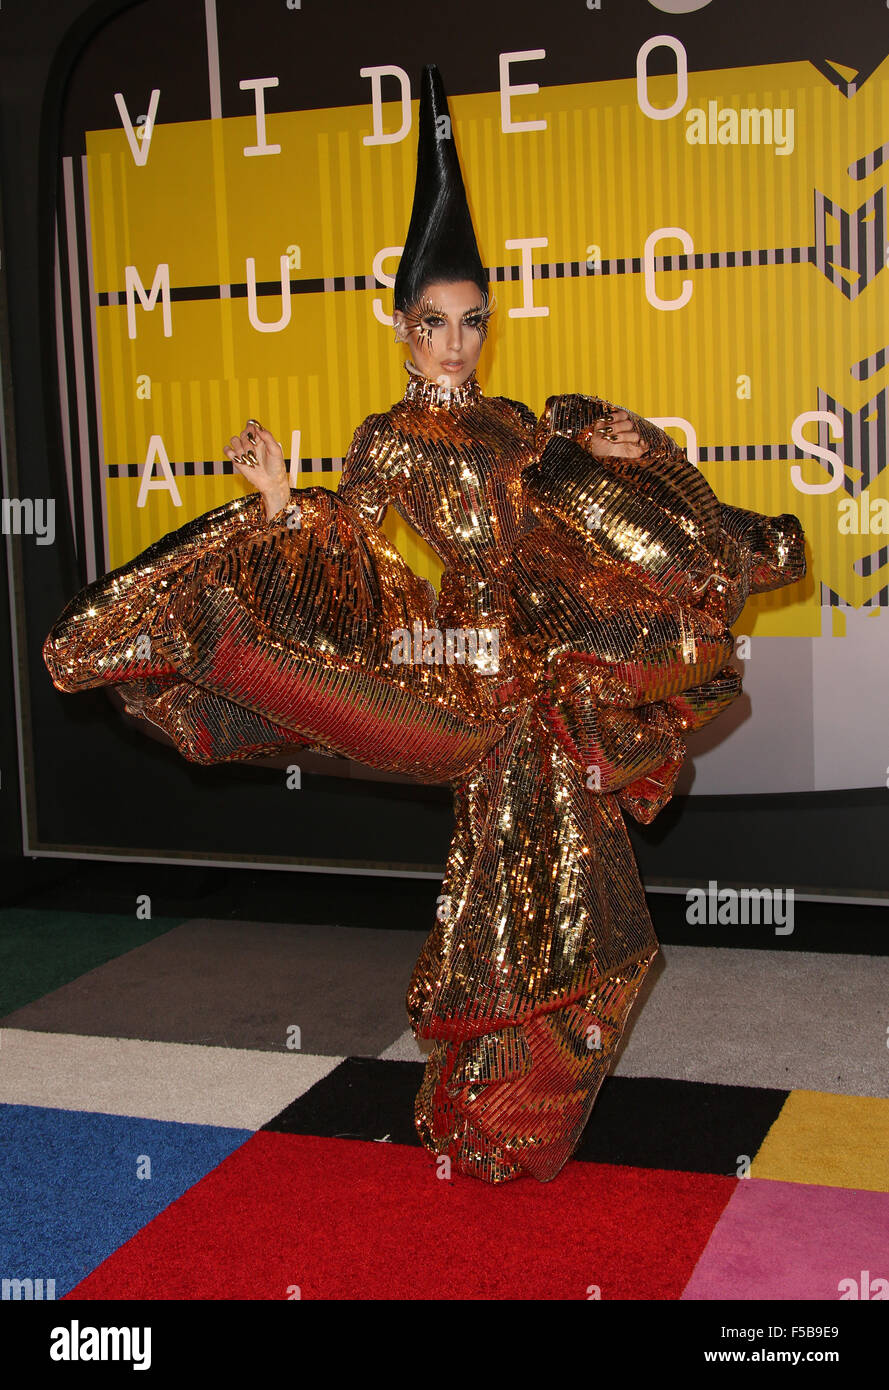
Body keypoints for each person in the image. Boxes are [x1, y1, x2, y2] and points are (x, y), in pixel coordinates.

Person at [43, 64, 806, 1184]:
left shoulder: (515, 425)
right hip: (451, 663)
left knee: (554, 909)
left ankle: (494, 1114)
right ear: (400, 329)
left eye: (472, 323)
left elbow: (587, 533)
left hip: (543, 672)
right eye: (435, 325)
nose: (455, 343)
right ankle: (217, 641)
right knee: (498, 871)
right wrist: (271, 500)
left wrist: (650, 468)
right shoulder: (385, 437)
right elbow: (345, 547)